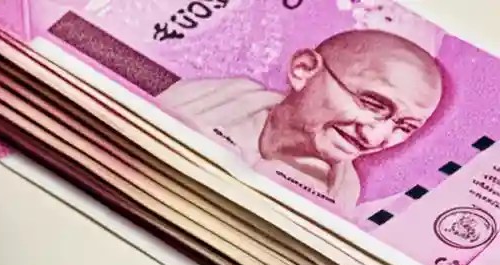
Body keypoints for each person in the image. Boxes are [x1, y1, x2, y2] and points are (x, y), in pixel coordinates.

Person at [157, 29, 443, 215]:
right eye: (372, 104)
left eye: (404, 127)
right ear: (304, 70)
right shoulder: (202, 99)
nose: (374, 138)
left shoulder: (342, 198)